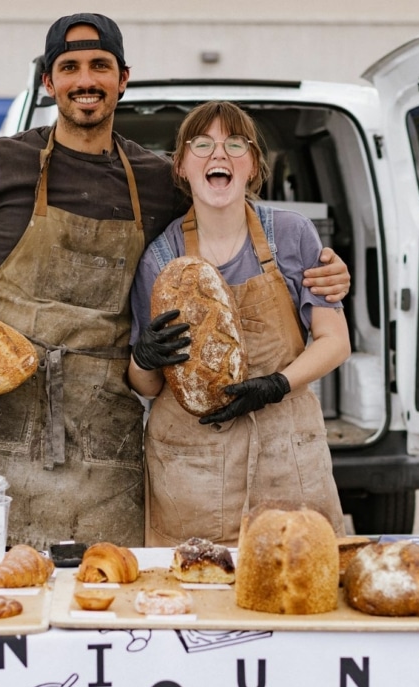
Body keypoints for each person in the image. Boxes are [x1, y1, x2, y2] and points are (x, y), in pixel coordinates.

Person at [0, 13, 350, 550]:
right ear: (49, 82)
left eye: (100, 66)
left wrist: (331, 272)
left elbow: (224, 214)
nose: (85, 80)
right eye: (70, 67)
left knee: (103, 593)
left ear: (122, 79)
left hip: (102, 437)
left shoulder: (158, 180)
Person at [128, 101, 350, 546]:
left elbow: (333, 340)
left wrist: (277, 384)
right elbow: (148, 386)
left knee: (300, 581)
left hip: (287, 454)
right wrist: (144, 357)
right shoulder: (158, 257)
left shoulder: (293, 234)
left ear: (253, 166)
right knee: (193, 595)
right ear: (181, 166)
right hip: (192, 469)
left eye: (235, 144)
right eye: (202, 144)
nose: (219, 155)